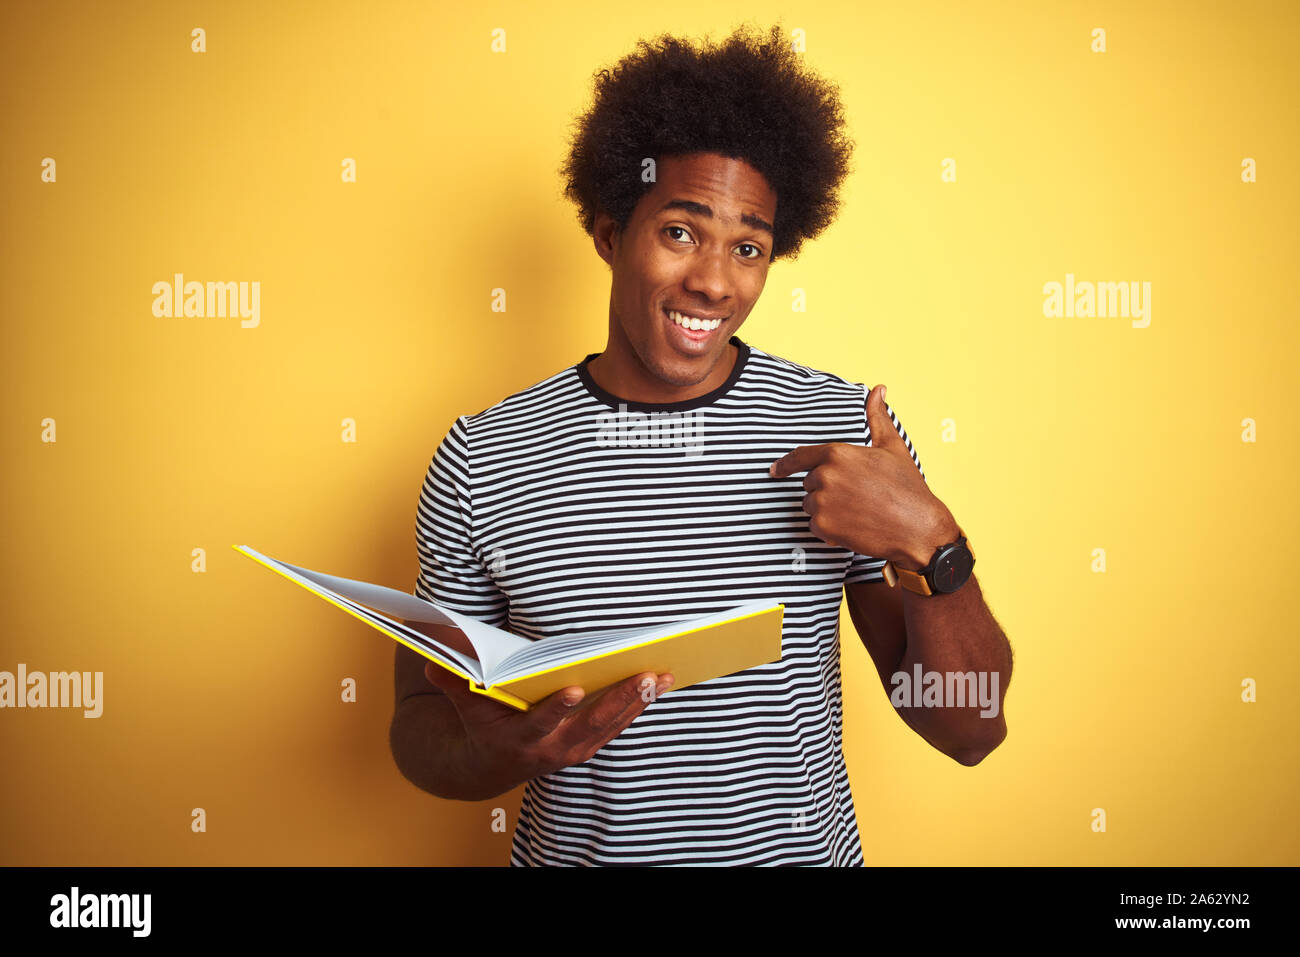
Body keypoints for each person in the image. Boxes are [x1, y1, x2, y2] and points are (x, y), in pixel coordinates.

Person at [389, 23, 1013, 865]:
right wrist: (497, 753)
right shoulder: (481, 455)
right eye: (681, 232)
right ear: (611, 233)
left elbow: (969, 728)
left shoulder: (837, 426)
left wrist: (933, 538)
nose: (714, 281)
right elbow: (418, 725)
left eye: (748, 247)